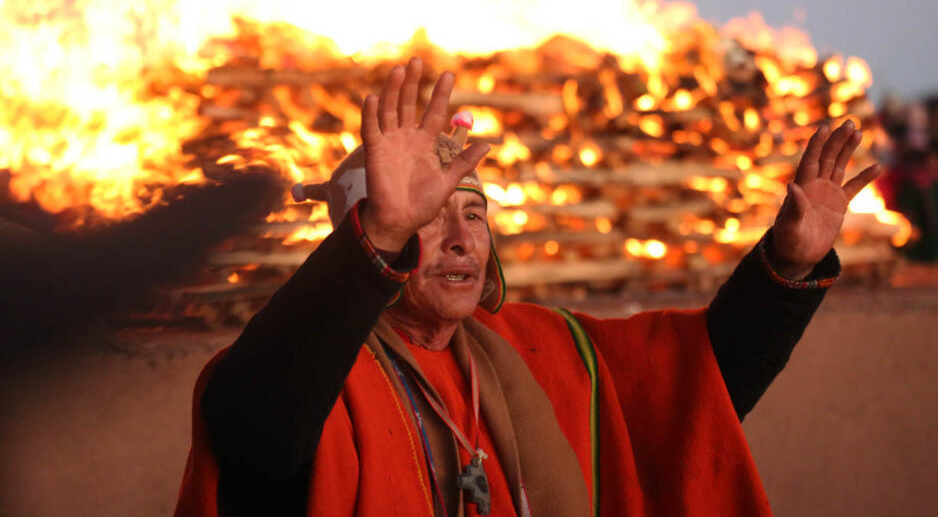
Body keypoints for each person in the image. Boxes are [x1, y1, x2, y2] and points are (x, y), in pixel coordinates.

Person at [174, 58, 880, 517]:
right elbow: (252, 427)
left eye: (474, 215)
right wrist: (381, 232)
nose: (460, 240)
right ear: (374, 239)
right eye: (428, 218)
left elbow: (692, 386)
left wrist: (785, 268)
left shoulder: (541, 350)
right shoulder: (323, 373)